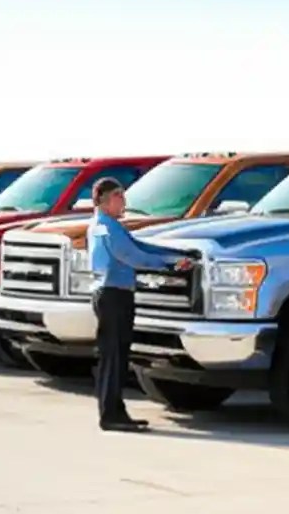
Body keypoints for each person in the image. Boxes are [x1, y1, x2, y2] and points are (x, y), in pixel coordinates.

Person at [89, 177, 194, 432]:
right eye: (120, 195)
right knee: (114, 357)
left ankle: (114, 410)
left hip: (115, 294)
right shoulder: (105, 227)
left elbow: (139, 246)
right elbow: (131, 256)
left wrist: (175, 255)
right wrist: (169, 265)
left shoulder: (108, 226)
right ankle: (111, 413)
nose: (124, 201)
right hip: (113, 295)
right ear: (108, 199)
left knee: (116, 355)